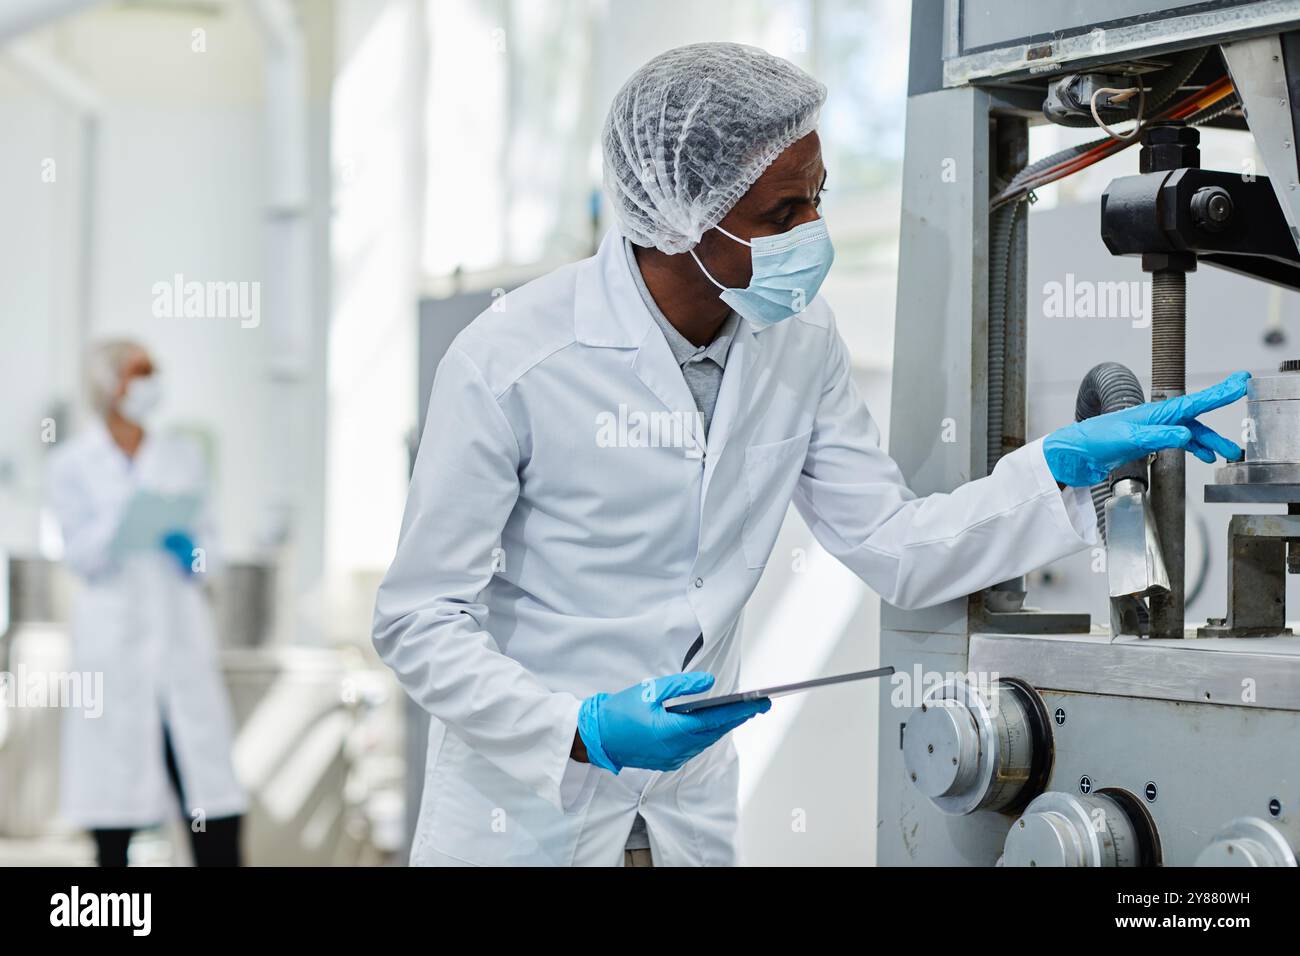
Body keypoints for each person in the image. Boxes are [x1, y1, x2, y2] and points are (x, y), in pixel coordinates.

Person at [373, 42, 1249, 867]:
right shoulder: (514, 360)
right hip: (529, 814)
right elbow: (417, 619)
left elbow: (896, 546)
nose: (814, 231)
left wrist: (1059, 466)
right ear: (682, 219)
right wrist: (580, 727)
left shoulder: (798, 339)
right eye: (782, 213)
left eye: (819, 196)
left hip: (681, 814)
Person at [48, 339, 246, 867]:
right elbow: (79, 557)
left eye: (153, 370)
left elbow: (214, 555)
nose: (151, 381)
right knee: (113, 806)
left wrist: (193, 554)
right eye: (139, 372)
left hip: (180, 638)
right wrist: (129, 521)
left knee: (209, 793)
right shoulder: (71, 462)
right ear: (108, 385)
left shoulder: (181, 454)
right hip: (115, 646)